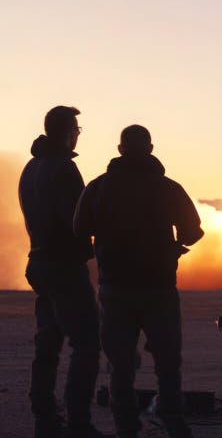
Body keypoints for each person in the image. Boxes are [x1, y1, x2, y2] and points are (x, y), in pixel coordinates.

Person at [74, 125, 204, 438]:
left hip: (115, 288)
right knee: (167, 359)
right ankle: (172, 419)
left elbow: (79, 227)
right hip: (158, 287)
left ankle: (126, 426)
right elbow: (193, 230)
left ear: (120, 150)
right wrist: (172, 249)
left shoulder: (98, 187)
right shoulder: (167, 187)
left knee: (120, 363)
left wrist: (106, 245)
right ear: (150, 148)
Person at [19, 106, 104, 438]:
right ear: (68, 131)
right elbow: (77, 222)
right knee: (86, 342)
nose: (77, 134)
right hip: (63, 267)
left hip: (38, 262)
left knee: (48, 342)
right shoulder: (64, 169)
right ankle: (78, 420)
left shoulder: (31, 167)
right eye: (77, 129)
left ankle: (44, 415)